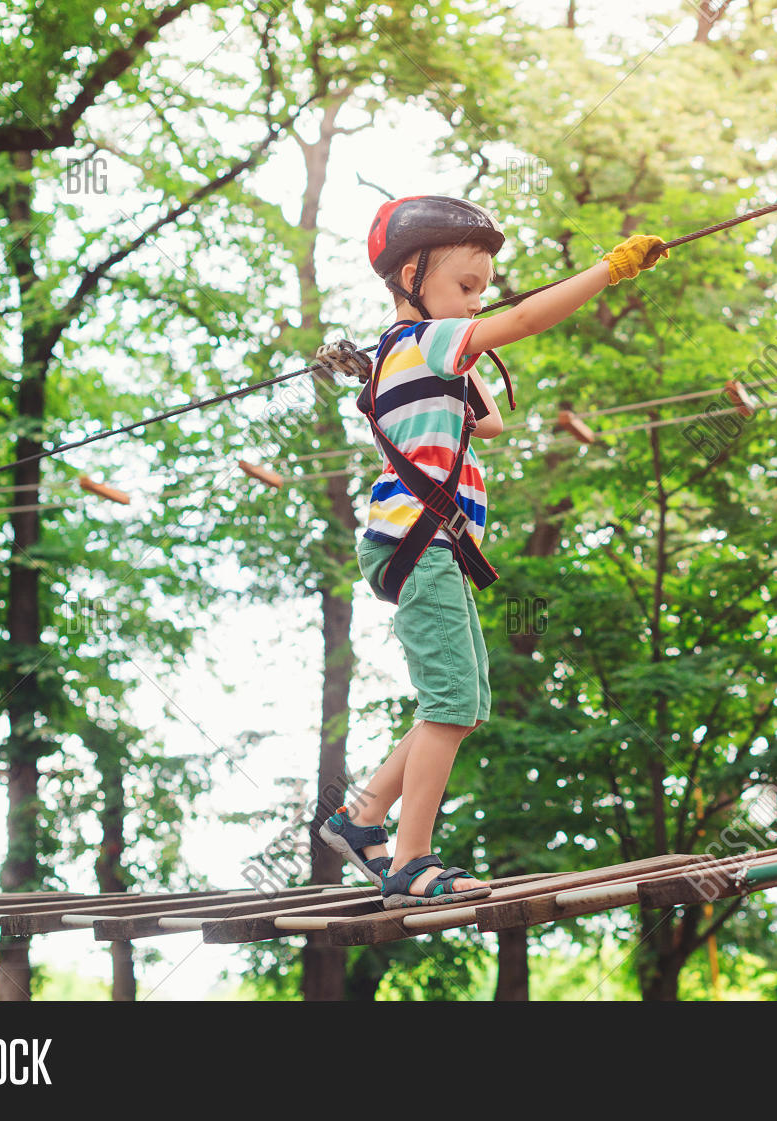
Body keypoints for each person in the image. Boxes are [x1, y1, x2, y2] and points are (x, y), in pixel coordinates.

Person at [318, 195, 668, 908]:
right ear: (411, 275)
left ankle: (361, 818)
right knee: (449, 700)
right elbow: (528, 318)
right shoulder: (426, 339)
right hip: (421, 542)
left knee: (463, 701)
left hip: (418, 543)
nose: (477, 305)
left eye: (482, 291)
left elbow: (495, 422)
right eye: (465, 288)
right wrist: (610, 269)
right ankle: (410, 861)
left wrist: (463, 343)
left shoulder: (412, 350)